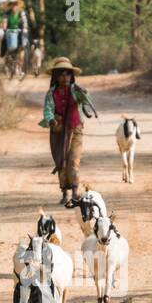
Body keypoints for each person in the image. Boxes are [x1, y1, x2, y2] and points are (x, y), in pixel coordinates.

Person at [39, 56, 97, 207]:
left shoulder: (75, 90)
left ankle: (75, 192)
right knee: (61, 162)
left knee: (73, 161)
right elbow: (47, 110)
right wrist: (51, 119)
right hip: (58, 132)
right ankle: (64, 192)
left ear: (72, 76)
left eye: (68, 74)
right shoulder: (51, 93)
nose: (65, 77)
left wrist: (84, 92)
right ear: (56, 76)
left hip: (75, 129)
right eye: (62, 74)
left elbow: (85, 99)